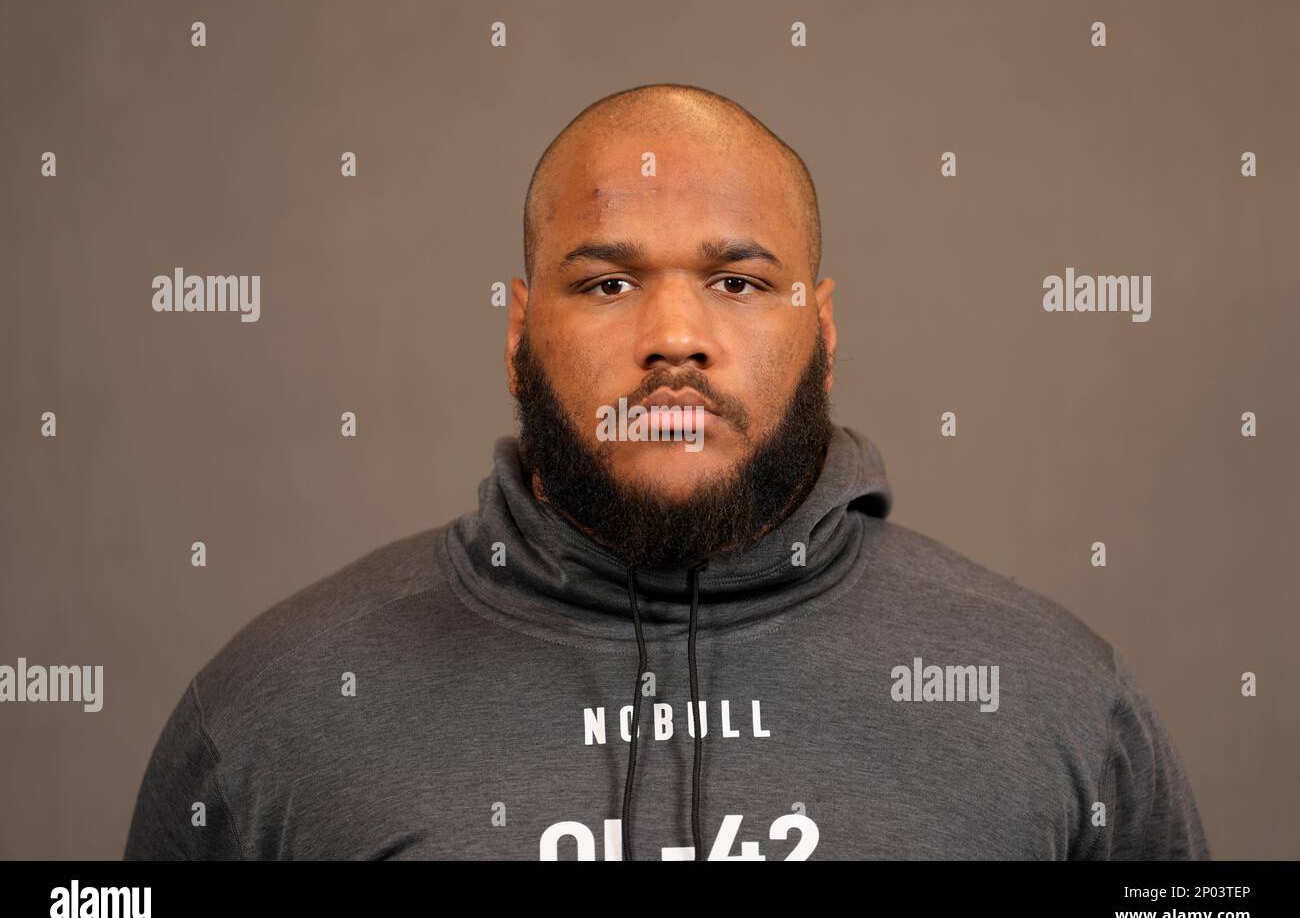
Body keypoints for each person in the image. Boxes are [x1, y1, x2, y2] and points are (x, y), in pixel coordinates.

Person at [124, 83, 1210, 861]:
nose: (675, 336)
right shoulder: (276, 711)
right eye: (605, 286)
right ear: (515, 331)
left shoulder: (1057, 701)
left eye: (739, 282)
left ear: (822, 329)